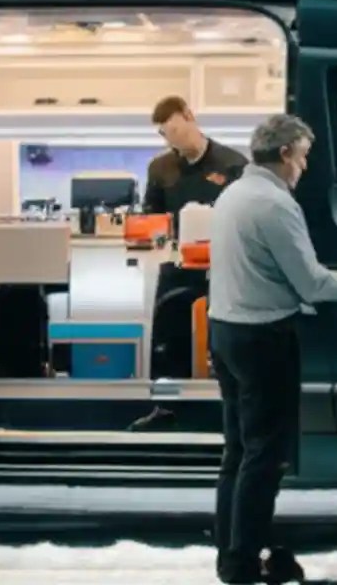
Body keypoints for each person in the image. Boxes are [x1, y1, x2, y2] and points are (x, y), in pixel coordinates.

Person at [207, 113, 337, 584]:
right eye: (303, 156)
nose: (304, 166)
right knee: (265, 457)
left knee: (238, 452)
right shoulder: (275, 203)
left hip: (226, 330)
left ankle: (231, 557)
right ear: (284, 153)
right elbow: (312, 283)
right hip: (263, 338)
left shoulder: (233, 194)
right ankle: (244, 564)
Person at [129, 95, 248, 432]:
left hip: (223, 268)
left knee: (226, 338)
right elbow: (152, 218)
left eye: (177, 132)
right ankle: (166, 406)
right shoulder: (161, 168)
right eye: (166, 136)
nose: (174, 142)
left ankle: (231, 408)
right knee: (168, 337)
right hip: (177, 266)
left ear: (189, 116)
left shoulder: (232, 164)